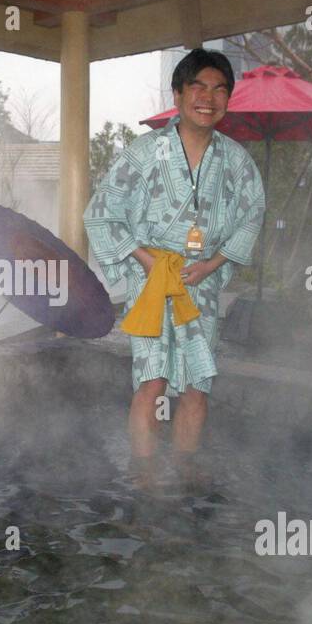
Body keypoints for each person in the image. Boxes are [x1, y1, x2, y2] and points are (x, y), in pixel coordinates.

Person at [85, 48, 265, 480]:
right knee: (152, 381)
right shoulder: (145, 152)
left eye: (220, 89)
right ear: (179, 93)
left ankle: (186, 469)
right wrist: (144, 258)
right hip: (151, 282)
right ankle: (144, 472)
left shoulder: (237, 161)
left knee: (198, 383)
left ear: (228, 99)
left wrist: (213, 264)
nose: (209, 97)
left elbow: (252, 215)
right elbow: (100, 211)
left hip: (199, 283)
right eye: (198, 87)